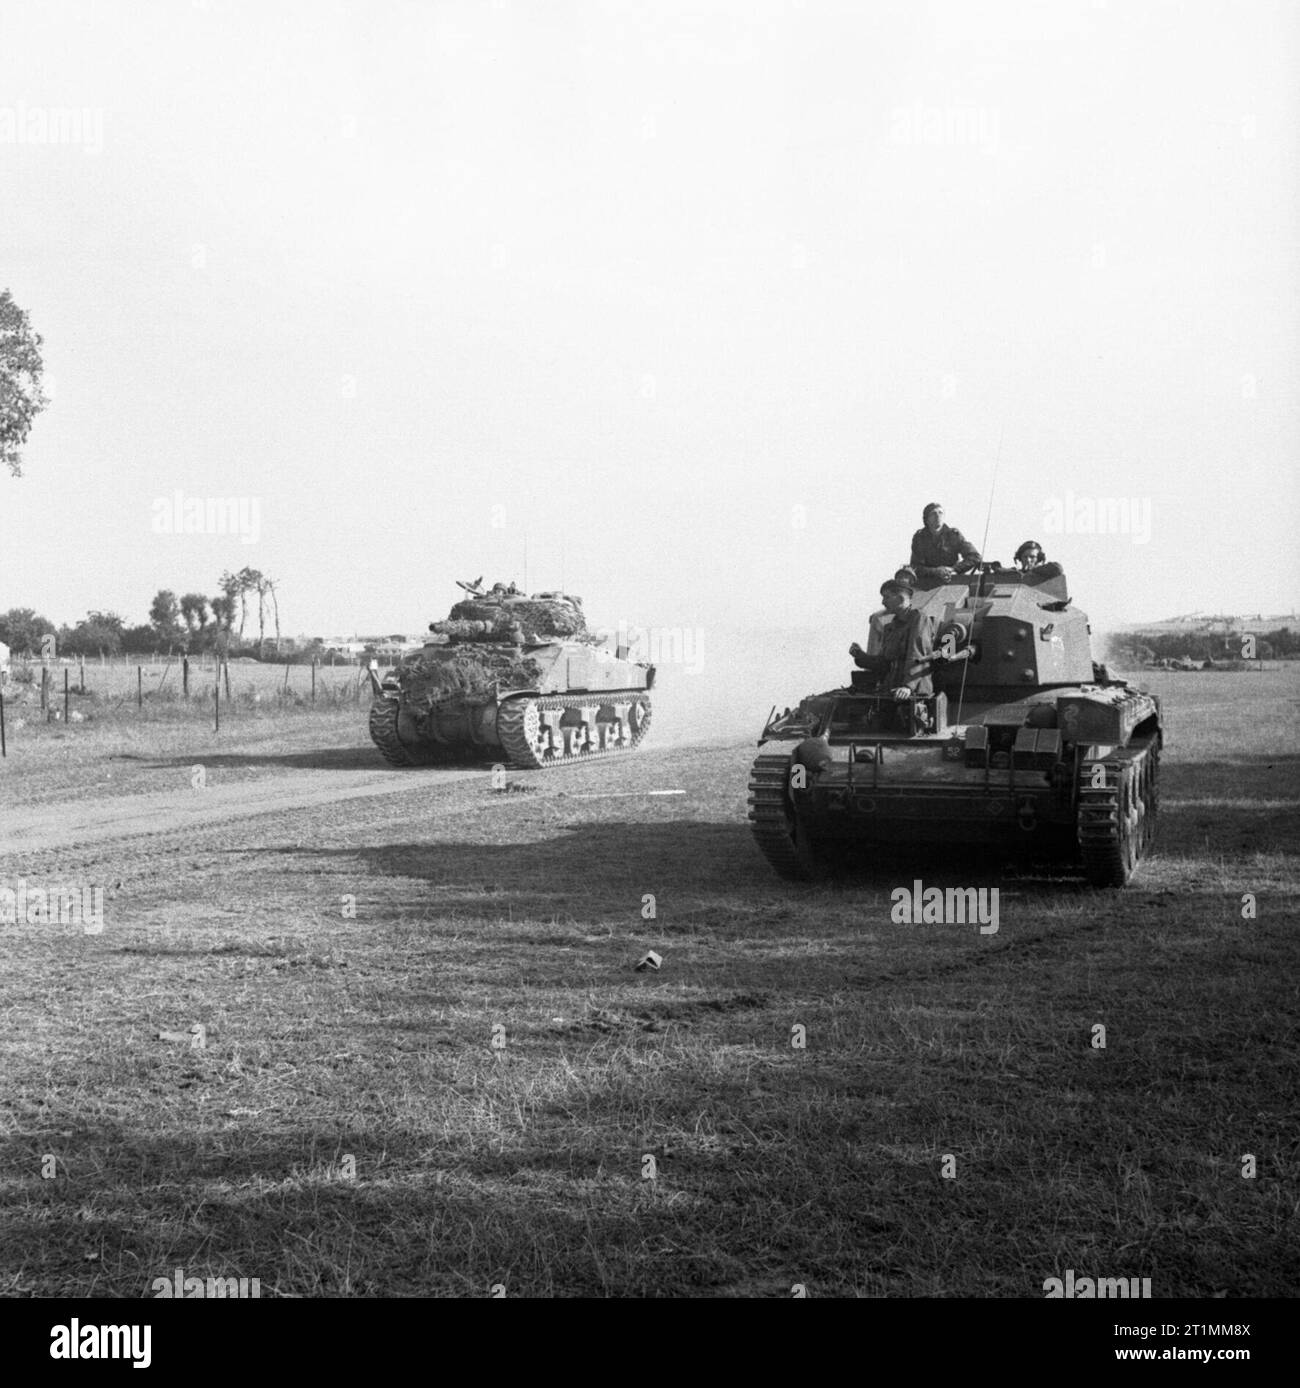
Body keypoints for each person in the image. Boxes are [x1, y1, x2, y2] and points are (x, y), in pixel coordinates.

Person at [849, 579, 942, 728]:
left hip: (915, 692)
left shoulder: (919, 619)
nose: (883, 602)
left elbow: (918, 655)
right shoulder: (890, 627)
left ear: (900, 598)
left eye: (886, 597)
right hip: (891, 690)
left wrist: (908, 687)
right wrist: (860, 656)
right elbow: (884, 662)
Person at [909, 503, 981, 581]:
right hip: (928, 581)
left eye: (940, 513)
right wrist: (936, 571)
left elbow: (975, 556)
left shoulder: (953, 535)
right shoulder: (920, 538)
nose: (938, 516)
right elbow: (915, 567)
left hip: (952, 580)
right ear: (926, 519)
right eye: (933, 513)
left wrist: (954, 569)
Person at [864, 566, 917, 655]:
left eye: (907, 577)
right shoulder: (893, 592)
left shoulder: (917, 595)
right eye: (900, 576)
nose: (903, 579)